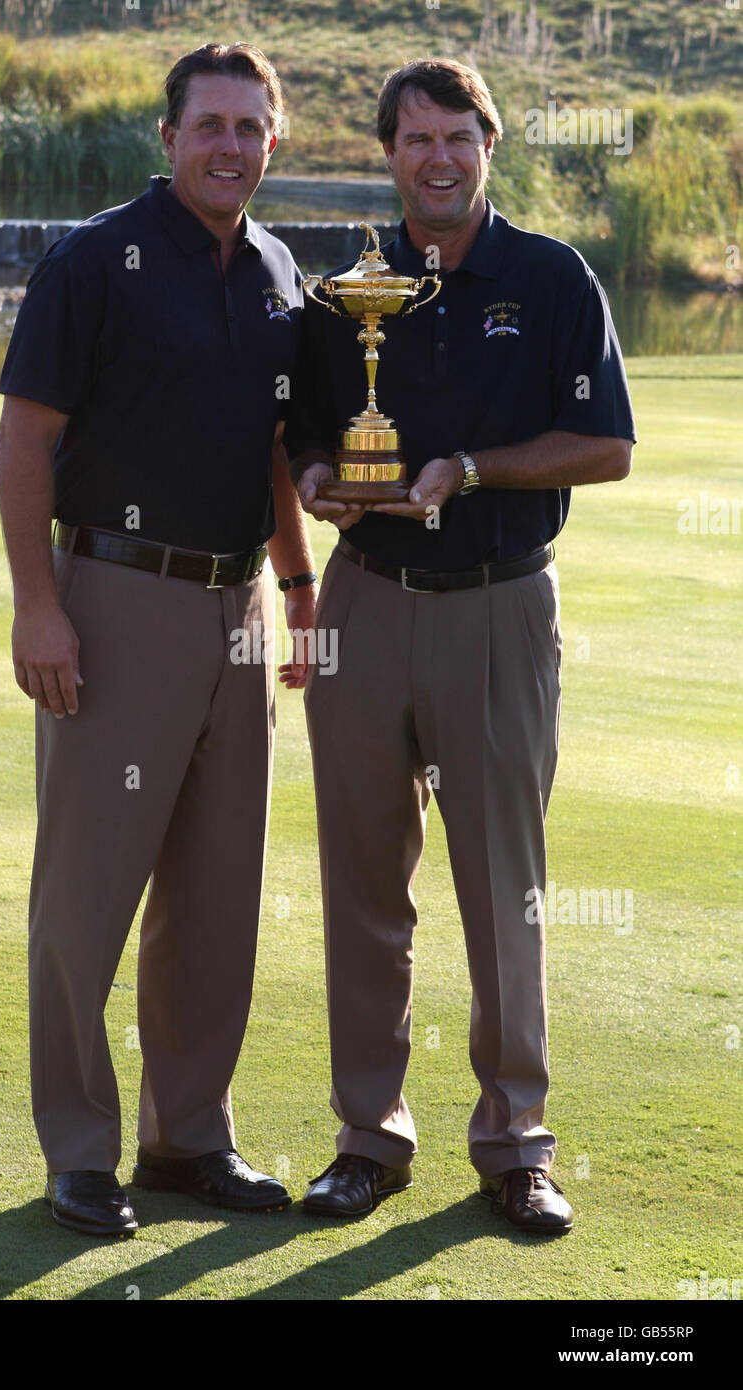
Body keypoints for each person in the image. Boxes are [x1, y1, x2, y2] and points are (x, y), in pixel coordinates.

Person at [285, 59, 636, 1232]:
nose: (436, 158)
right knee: (362, 882)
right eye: (413, 139)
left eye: (457, 138)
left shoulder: (550, 278)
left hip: (499, 601)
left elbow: (605, 445)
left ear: (489, 145)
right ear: (388, 153)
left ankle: (515, 1144)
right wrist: (323, 478)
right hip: (367, 597)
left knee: (504, 889)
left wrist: (473, 470)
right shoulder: (349, 290)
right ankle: (367, 1140)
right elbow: (300, 441)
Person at [0, 42, 316, 1238]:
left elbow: (280, 451)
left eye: (251, 126)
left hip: (240, 611)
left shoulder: (284, 271)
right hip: (115, 596)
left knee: (220, 893)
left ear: (273, 141)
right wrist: (39, 605)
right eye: (210, 124)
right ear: (169, 136)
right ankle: (80, 1151)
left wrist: (297, 580)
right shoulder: (94, 261)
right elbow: (26, 440)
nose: (231, 145)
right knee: (87, 891)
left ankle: (189, 1139)